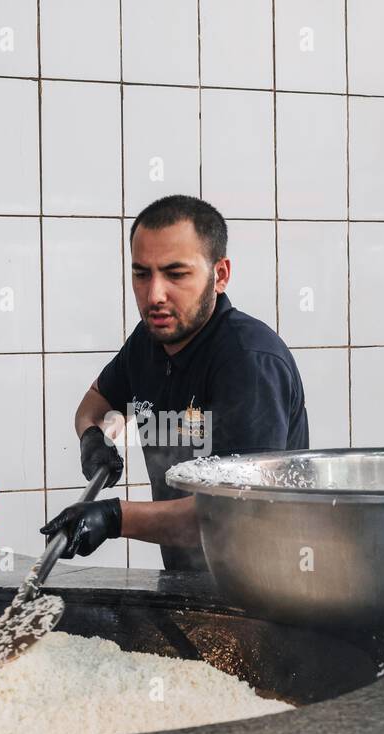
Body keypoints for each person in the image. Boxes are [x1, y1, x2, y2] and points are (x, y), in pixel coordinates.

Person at [40, 195, 309, 570]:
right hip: (189, 585)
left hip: (263, 593)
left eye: (176, 274)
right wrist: (92, 437)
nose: (155, 296)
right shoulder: (148, 342)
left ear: (221, 275)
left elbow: (236, 513)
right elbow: (96, 402)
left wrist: (115, 517)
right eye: (141, 274)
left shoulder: (249, 361)